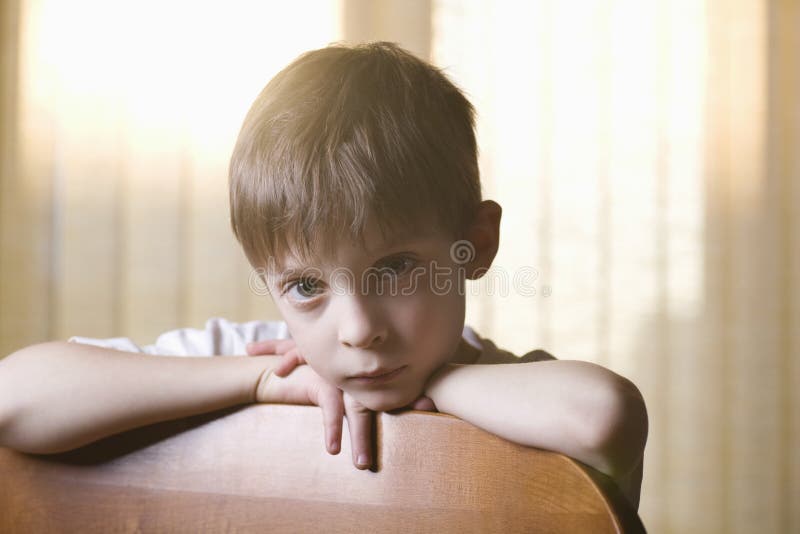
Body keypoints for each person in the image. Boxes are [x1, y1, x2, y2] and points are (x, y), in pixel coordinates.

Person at [0, 42, 647, 509]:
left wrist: (441, 384)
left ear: (474, 245)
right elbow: (13, 399)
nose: (358, 330)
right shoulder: (250, 363)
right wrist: (258, 380)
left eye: (394, 269)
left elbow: (602, 416)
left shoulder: (514, 394)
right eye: (307, 287)